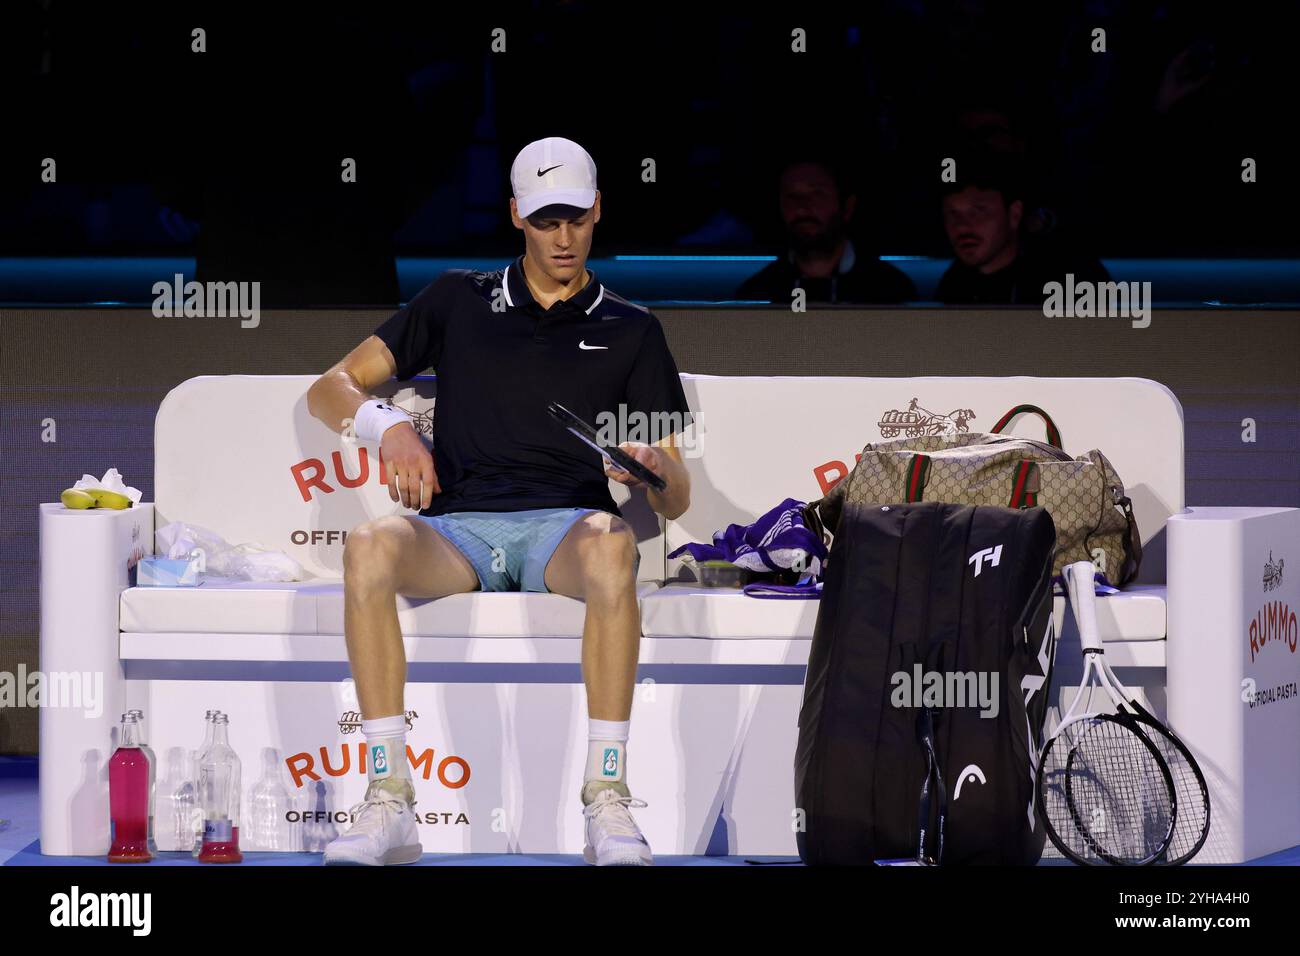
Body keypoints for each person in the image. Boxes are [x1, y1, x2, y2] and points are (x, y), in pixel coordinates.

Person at [306, 137, 693, 866]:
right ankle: (389, 796)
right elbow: (330, 388)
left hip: (565, 532)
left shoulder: (633, 328)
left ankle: (606, 798)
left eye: (576, 217)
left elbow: (675, 496)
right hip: (457, 531)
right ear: (517, 216)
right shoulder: (459, 298)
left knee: (615, 544)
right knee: (368, 546)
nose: (564, 237)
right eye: (547, 220)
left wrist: (652, 467)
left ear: (598, 210)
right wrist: (387, 427)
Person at [736, 158, 915, 304]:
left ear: (847, 206)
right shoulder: (755, 296)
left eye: (817, 194)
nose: (802, 208)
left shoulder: (892, 291)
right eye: (791, 195)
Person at [935, 156, 1109, 305]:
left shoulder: (1071, 277)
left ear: (1014, 214)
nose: (962, 226)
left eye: (979, 211)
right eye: (953, 214)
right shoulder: (953, 284)